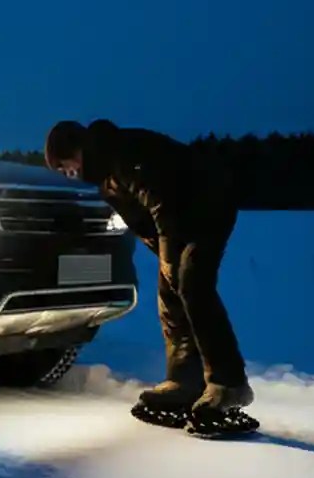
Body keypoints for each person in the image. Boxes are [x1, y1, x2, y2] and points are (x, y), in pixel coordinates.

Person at [45, 119, 254, 428]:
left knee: (193, 286)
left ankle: (230, 384)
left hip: (208, 205)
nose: (68, 174)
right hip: (175, 223)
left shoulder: (122, 154)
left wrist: (169, 258)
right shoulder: (102, 177)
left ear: (78, 151)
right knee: (170, 296)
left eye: (65, 166)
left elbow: (163, 205)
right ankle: (185, 381)